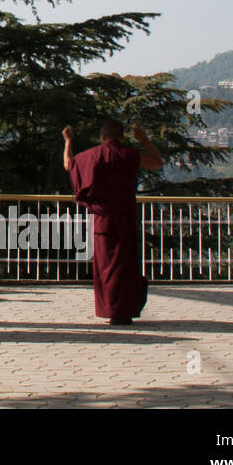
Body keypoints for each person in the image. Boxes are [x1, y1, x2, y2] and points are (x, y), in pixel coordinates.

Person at [63, 119, 161, 325]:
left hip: (103, 221)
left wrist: (68, 142)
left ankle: (112, 309)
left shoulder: (92, 156)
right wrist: (144, 140)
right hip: (126, 219)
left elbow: (69, 165)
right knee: (126, 266)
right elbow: (158, 163)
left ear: (103, 136)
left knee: (107, 268)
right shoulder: (130, 155)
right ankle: (124, 311)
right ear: (123, 136)